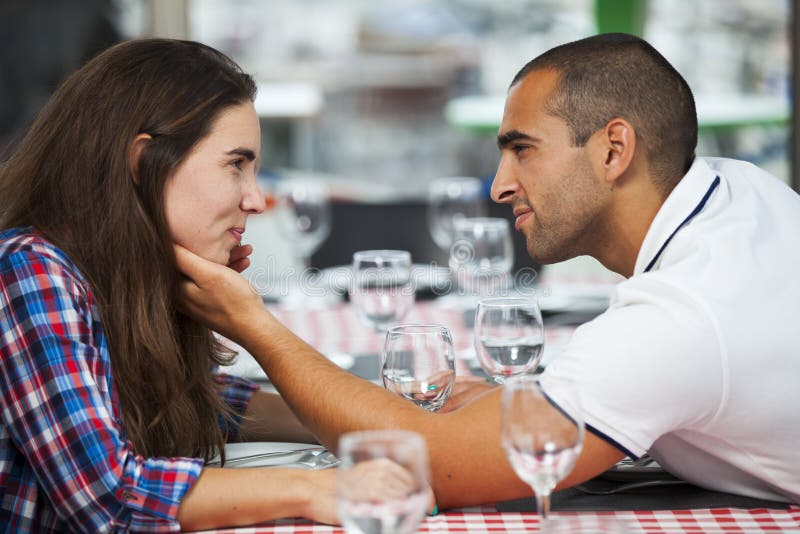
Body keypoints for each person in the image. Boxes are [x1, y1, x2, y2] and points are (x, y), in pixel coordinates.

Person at [172, 31, 800, 511]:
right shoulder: (741, 192)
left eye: (522, 149)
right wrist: (535, 400)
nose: (500, 187)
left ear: (614, 150)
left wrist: (255, 326)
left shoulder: (683, 315)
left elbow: (432, 464)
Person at [0, 38, 418, 531]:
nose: (255, 200)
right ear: (144, 162)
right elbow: (108, 497)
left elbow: (202, 406)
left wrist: (363, 424)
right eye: (236, 164)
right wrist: (322, 488)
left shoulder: (124, 272)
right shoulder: (29, 272)